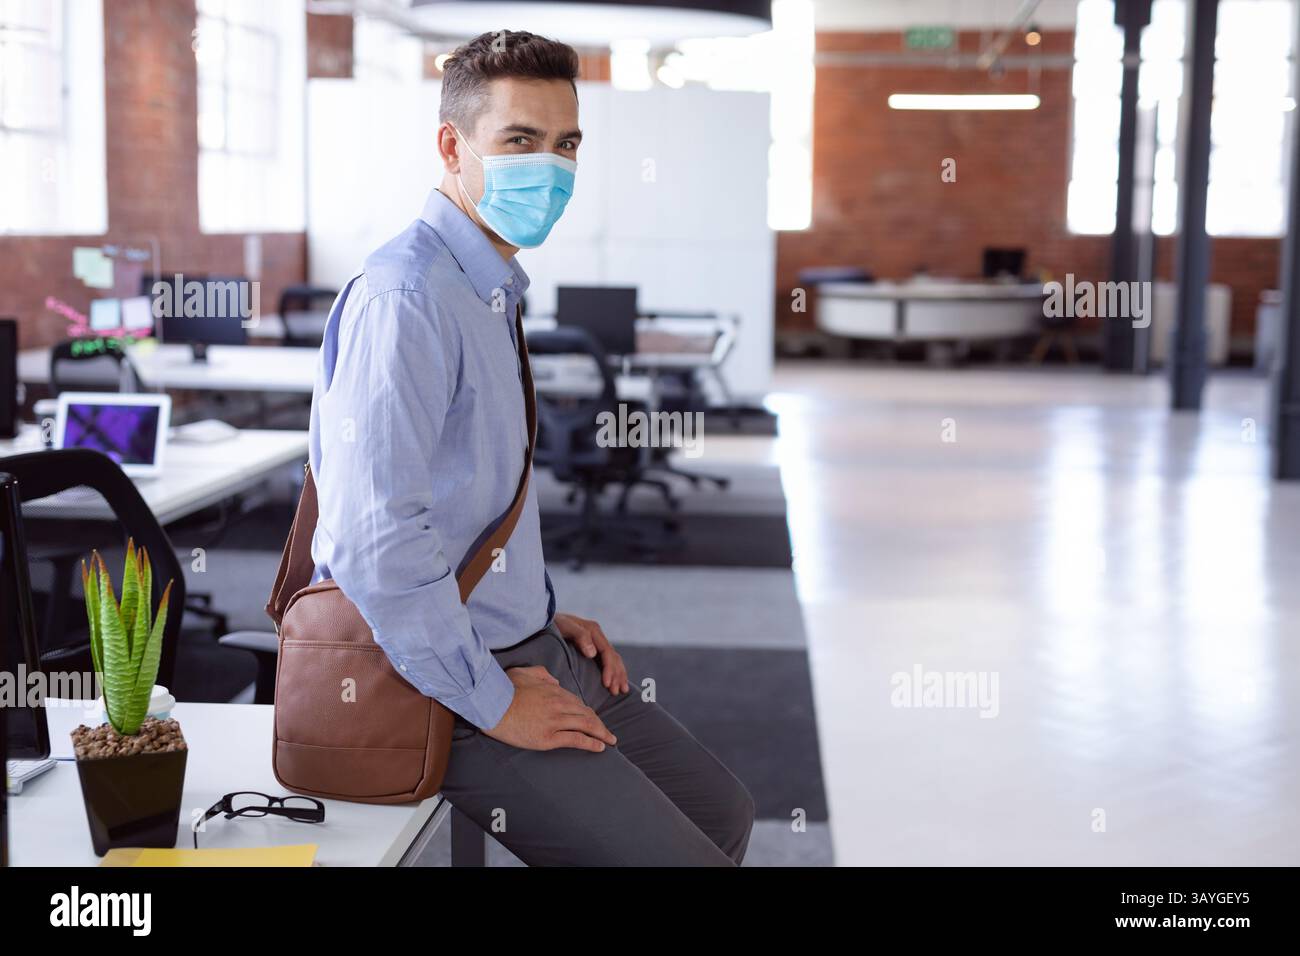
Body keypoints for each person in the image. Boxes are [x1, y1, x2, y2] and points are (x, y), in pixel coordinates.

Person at [307, 29, 754, 866]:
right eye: (520, 140)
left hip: (522, 640)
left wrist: (531, 606)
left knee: (722, 811)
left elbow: (464, 494)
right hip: (437, 678)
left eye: (566, 144)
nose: (549, 168)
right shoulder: (408, 296)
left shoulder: (490, 286)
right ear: (453, 144)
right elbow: (374, 538)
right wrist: (491, 697)